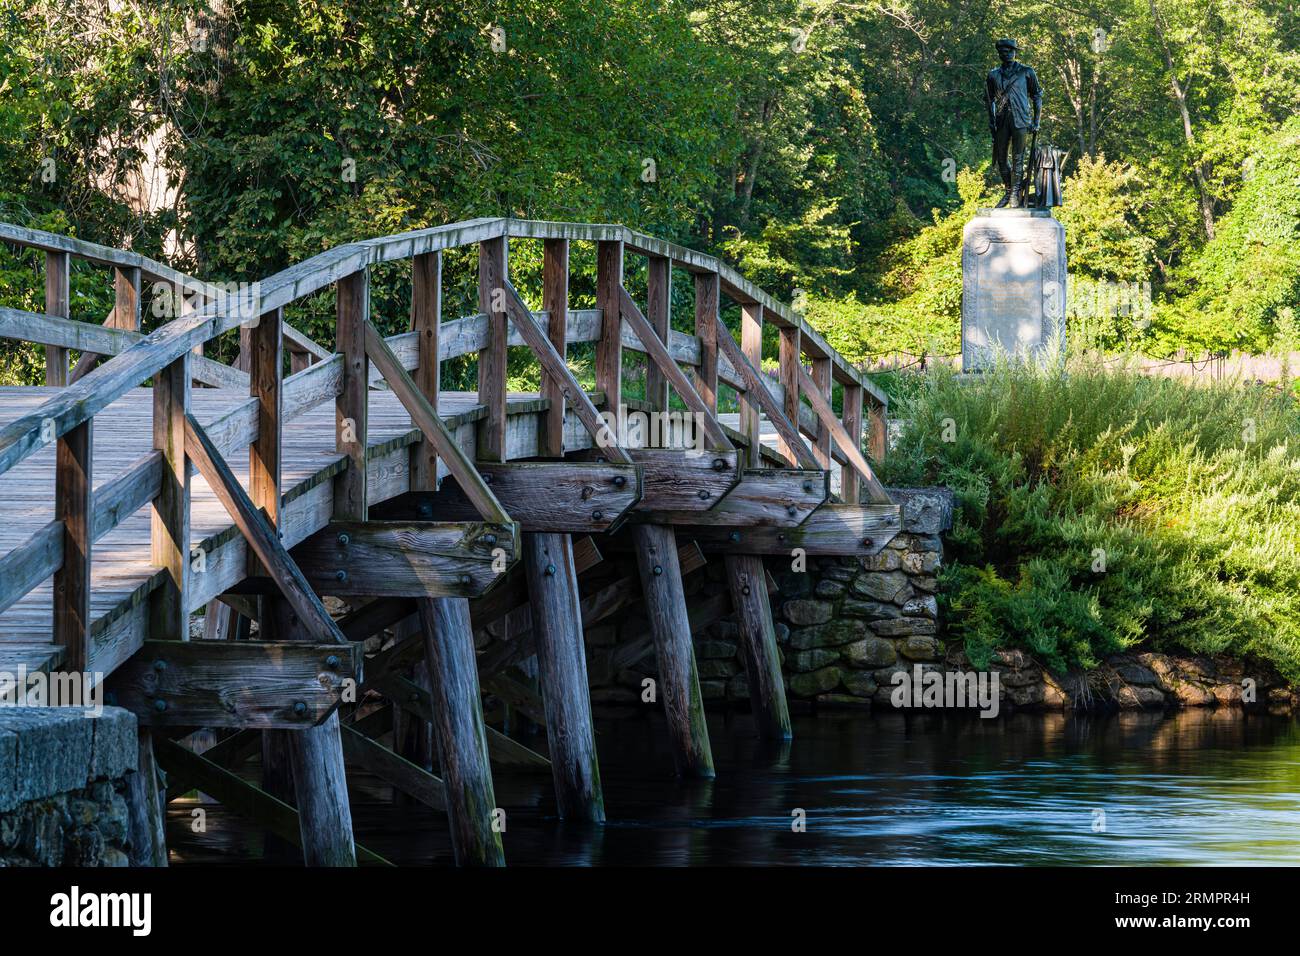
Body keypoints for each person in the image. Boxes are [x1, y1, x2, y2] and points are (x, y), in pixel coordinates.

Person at [985, 37, 1041, 208]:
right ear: (999, 54)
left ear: (1015, 52)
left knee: (1018, 158)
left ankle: (1015, 193)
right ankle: (1009, 190)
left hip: (1021, 120)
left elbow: (1037, 95)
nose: (1006, 53)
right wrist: (991, 121)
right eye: (1003, 51)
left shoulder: (1026, 72)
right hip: (1001, 122)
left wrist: (1036, 121)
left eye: (1009, 50)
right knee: (1001, 159)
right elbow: (988, 100)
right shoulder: (993, 75)